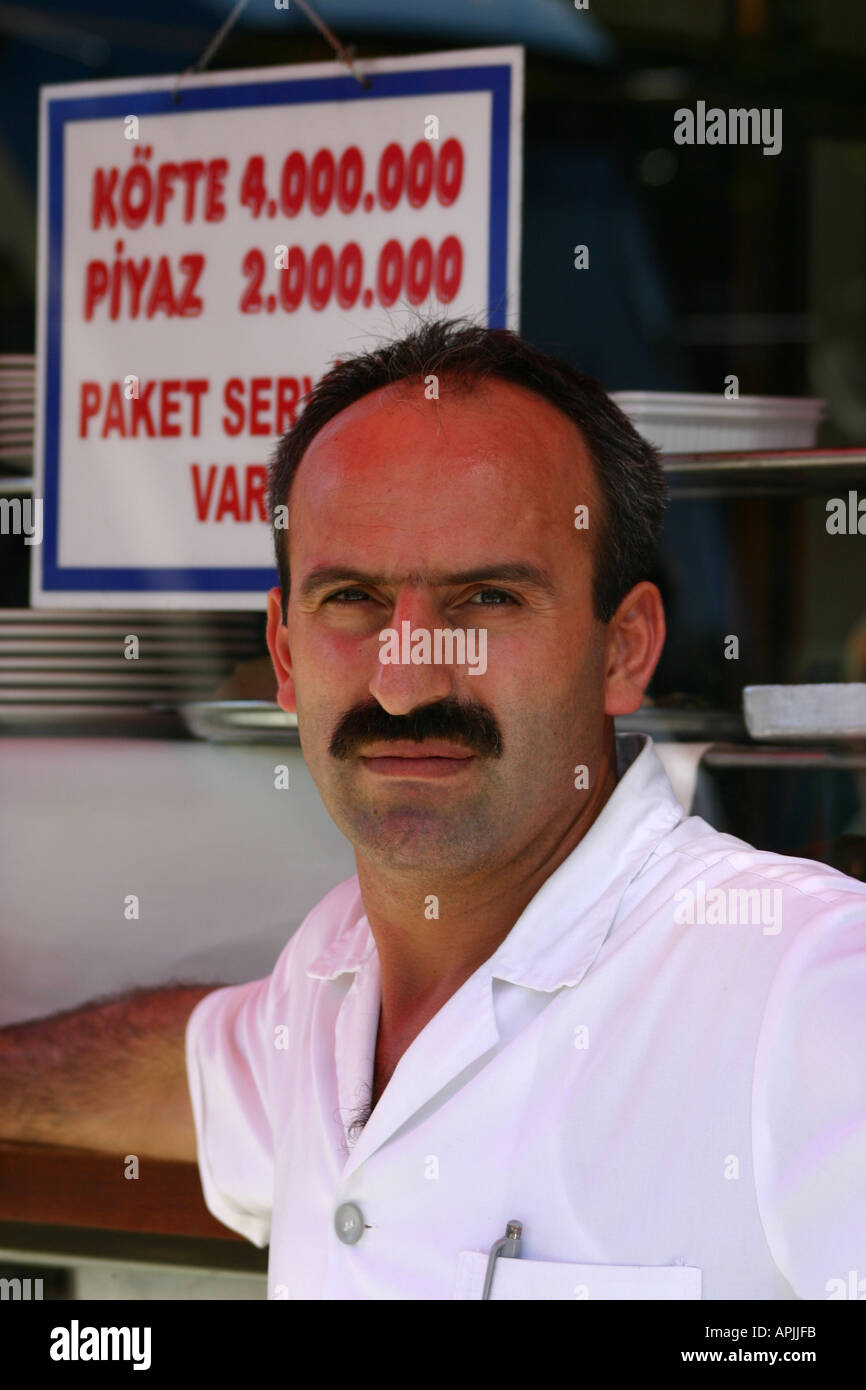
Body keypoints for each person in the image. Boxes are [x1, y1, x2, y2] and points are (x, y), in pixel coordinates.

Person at [2, 317, 864, 1301]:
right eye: (354, 599)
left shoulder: (802, 979)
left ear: (622, 649)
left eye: (485, 599)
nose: (405, 681)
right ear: (285, 656)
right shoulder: (332, 975)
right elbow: (173, 1073)